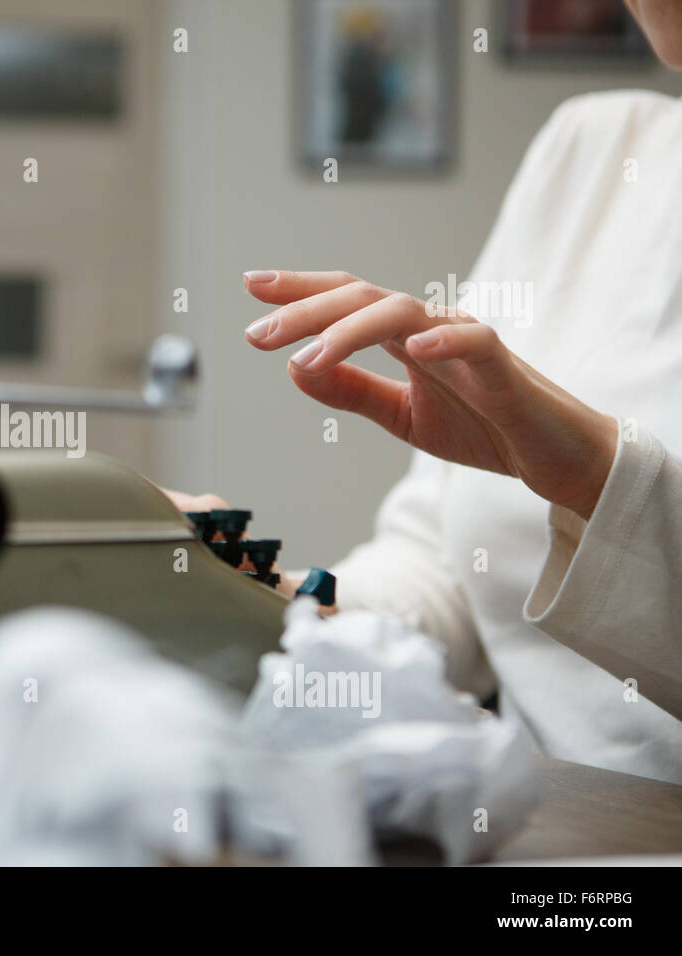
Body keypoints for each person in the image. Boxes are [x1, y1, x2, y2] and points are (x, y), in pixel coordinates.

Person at [167, 0, 682, 784]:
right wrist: (254, 579)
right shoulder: (594, 151)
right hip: (553, 836)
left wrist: (599, 482)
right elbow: (444, 586)